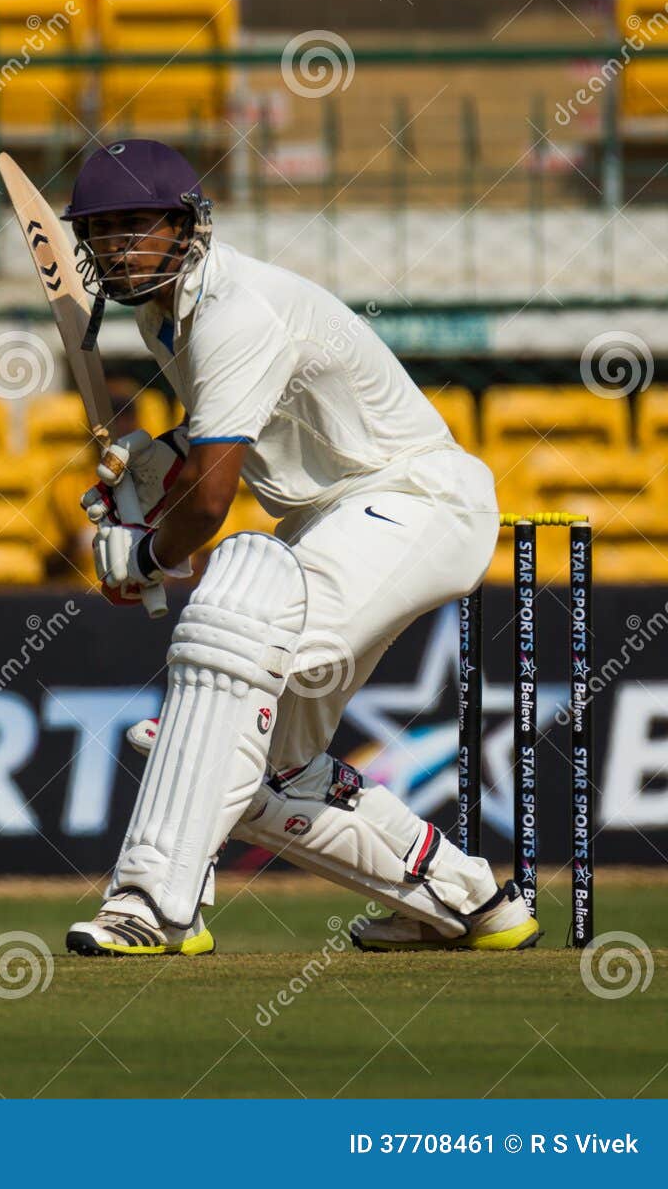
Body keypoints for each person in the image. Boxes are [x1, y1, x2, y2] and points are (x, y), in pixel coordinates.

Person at [59, 139, 535, 956]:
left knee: (233, 639)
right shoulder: (162, 314)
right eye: (101, 231)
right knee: (273, 764)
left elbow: (212, 504)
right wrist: (160, 457)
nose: (115, 246)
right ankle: (462, 899)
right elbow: (251, 431)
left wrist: (142, 558)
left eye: (136, 225)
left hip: (412, 499)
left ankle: (153, 904)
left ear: (189, 226)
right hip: (334, 513)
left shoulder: (234, 310)